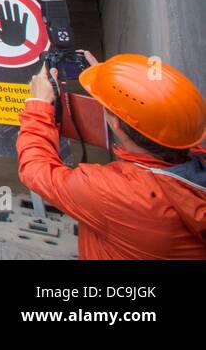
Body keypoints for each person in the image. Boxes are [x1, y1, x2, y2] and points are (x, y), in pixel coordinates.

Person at [18, 51, 206, 259]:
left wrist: (38, 105)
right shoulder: (193, 161)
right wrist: (113, 89)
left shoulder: (110, 191)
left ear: (116, 124)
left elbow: (36, 171)